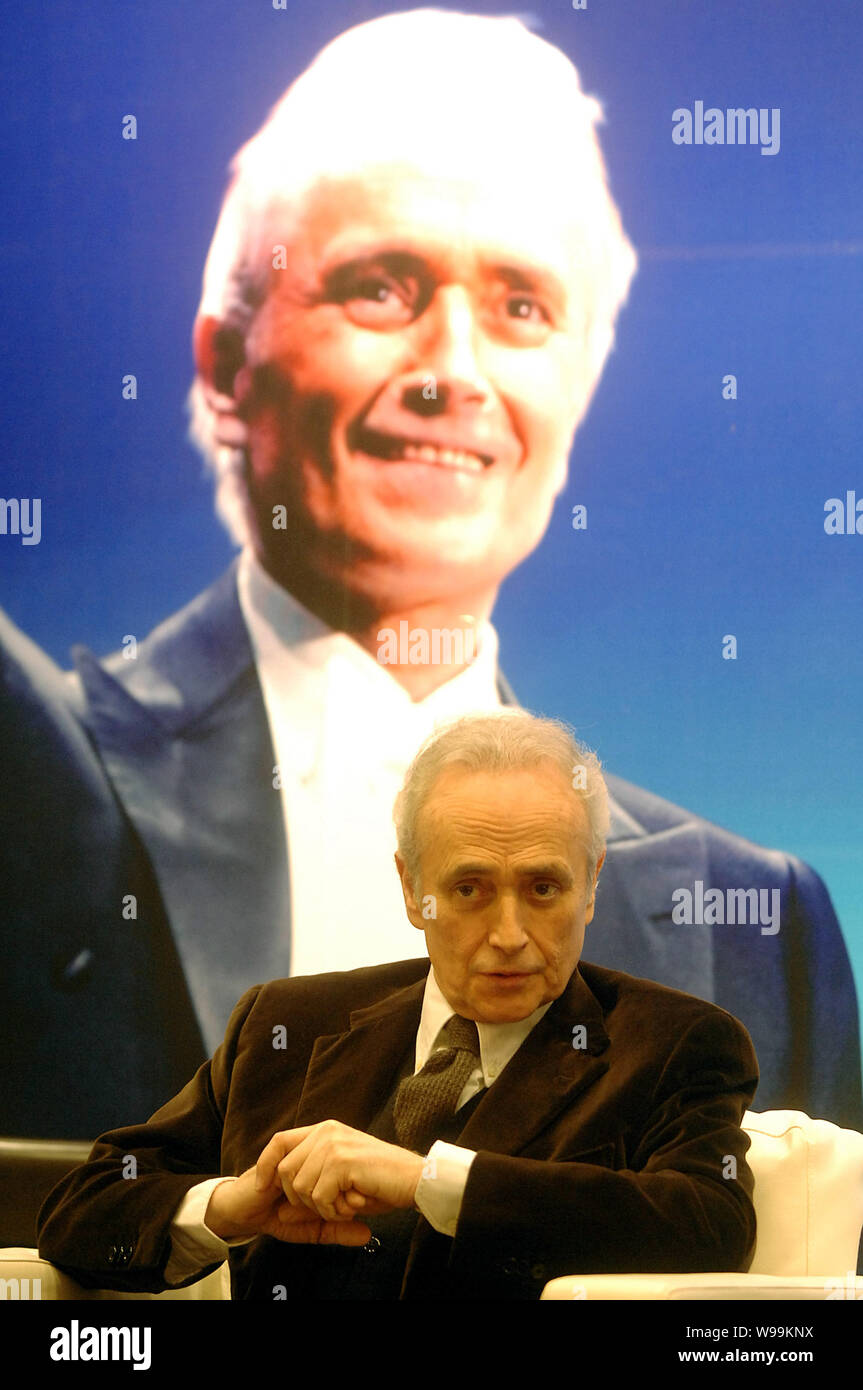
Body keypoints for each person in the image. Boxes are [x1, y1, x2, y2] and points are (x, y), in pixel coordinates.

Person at [1, 9, 859, 1140]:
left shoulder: (758, 928)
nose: (452, 373)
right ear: (223, 365)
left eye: (520, 308)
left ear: (579, 388)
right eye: (380, 288)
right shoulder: (37, 783)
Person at [37, 713, 759, 1301]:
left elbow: (708, 1227)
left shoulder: (674, 1045)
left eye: (543, 888)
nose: (509, 936)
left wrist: (427, 1181)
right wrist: (228, 1207)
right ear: (412, 887)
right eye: (470, 889)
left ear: (592, 883)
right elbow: (85, 1207)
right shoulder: (286, 1023)